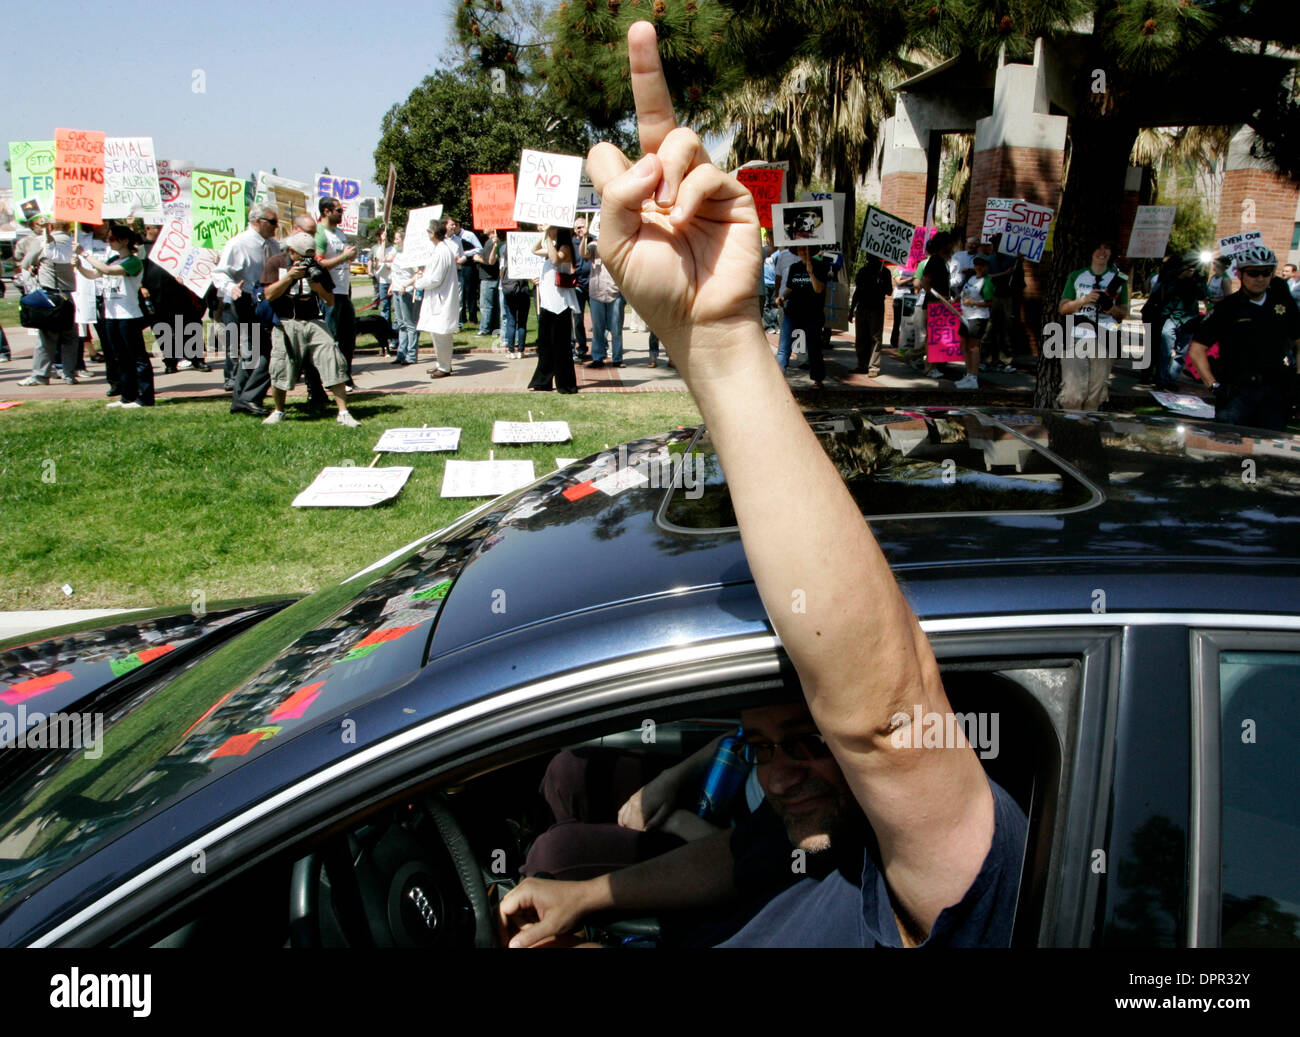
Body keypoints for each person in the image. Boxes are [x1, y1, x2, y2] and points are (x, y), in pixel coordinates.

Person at [500, 20, 1027, 950]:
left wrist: (723, 345)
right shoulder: (802, 850)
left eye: (806, 741)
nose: (782, 774)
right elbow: (736, 859)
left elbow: (883, 718)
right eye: (761, 746)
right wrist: (589, 901)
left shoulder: (933, 888)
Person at [1188, 245, 1300, 432]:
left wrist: (1297, 381)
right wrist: (1213, 385)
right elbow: (1197, 350)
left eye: (1266, 272)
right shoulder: (1227, 309)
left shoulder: (1283, 304)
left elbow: (1299, 341)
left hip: (1274, 392)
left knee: (1270, 451)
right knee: (1228, 449)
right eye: (1254, 273)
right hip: (1236, 393)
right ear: (1240, 274)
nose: (1260, 279)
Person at [257, 231, 359, 427]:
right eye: (303, 257)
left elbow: (329, 301)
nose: (307, 261)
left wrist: (317, 287)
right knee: (281, 363)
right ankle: (279, 410)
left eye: (310, 257)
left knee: (333, 357)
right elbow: (268, 295)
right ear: (292, 252)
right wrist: (288, 277)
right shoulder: (276, 262)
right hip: (286, 321)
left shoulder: (317, 267)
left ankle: (343, 412)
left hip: (314, 320)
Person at [75, 223, 156, 408]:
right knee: (120, 357)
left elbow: (108, 271)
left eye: (112, 238)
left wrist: (85, 254)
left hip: (129, 315)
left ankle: (145, 397)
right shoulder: (112, 259)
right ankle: (128, 395)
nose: (108, 241)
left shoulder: (133, 262)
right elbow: (94, 274)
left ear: (125, 241)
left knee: (137, 357)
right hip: (111, 315)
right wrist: (80, 266)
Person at [212, 203, 281, 416]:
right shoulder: (239, 243)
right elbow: (219, 273)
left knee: (256, 353)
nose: (276, 226)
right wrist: (231, 288)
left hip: (264, 303)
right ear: (258, 222)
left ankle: (242, 399)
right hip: (243, 301)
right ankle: (249, 397)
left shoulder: (273, 244)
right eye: (272, 222)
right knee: (263, 354)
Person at [1057, 238, 1130, 411]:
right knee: (1071, 394)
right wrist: (1084, 300)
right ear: (1091, 252)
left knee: (1095, 395)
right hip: (1076, 336)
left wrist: (1110, 308)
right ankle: (1070, 428)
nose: (1102, 252)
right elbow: (1063, 309)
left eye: (1106, 248)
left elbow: (1123, 313)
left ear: (1111, 253)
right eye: (1098, 248)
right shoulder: (1077, 275)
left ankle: (1086, 432)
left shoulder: (1118, 280)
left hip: (1105, 338)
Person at [17, 218, 79, 387]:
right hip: (70, 294)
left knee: (46, 338)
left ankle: (40, 375)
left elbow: (26, 262)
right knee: (69, 337)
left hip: (51, 294)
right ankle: (69, 374)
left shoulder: (43, 242)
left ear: (50, 226)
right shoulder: (75, 242)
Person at [528, 225, 580, 394]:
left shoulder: (565, 248)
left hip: (561, 304)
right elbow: (534, 249)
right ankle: (543, 380)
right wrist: (544, 233)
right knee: (545, 345)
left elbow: (556, 259)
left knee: (561, 346)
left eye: (553, 228)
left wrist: (549, 237)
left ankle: (565, 383)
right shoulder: (552, 246)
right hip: (547, 303)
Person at [314, 199, 359, 390]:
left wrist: (350, 256)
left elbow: (344, 257)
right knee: (330, 338)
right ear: (326, 211)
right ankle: (330, 380)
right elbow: (318, 263)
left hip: (343, 291)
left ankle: (345, 376)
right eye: (339, 210)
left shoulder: (339, 233)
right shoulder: (320, 234)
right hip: (329, 292)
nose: (342, 214)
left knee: (348, 338)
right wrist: (343, 257)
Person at [1144, 252, 1205, 390]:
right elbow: (1164, 293)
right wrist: (1180, 278)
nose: (1191, 270)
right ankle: (1161, 379)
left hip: (1189, 319)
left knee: (1181, 353)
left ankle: (1171, 380)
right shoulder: (1172, 275)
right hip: (1171, 317)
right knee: (1165, 350)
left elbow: (1202, 295)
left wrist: (1195, 280)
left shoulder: (1198, 278)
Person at [774, 244, 828, 388]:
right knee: (784, 348)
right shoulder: (794, 268)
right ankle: (778, 380)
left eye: (806, 249)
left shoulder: (821, 267)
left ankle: (818, 380)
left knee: (813, 348)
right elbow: (790, 288)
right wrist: (782, 297)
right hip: (793, 312)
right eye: (801, 249)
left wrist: (811, 273)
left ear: (812, 251)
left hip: (813, 314)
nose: (803, 252)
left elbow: (819, 289)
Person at [414, 218, 460, 379]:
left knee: (442, 334)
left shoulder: (442, 252)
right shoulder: (440, 250)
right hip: (438, 298)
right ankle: (441, 363)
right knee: (437, 333)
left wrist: (418, 283)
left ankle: (445, 366)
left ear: (432, 233)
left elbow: (435, 279)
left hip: (441, 299)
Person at [846, 255, 891, 376]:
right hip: (862, 308)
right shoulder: (862, 271)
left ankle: (873, 367)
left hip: (876, 308)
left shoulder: (885, 272)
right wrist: (851, 310)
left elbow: (889, 291)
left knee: (875, 338)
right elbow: (857, 291)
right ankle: (862, 365)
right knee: (861, 337)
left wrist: (881, 281)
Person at [586, 236, 626, 367]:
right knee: (598, 328)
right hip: (597, 293)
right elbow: (584, 254)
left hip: (615, 292)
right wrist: (585, 237)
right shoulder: (593, 245)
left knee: (616, 329)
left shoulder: (619, 244)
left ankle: (617, 359)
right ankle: (598, 357)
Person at [956, 252, 994, 388]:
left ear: (986, 266)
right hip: (965, 316)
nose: (978, 266)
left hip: (978, 317)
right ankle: (968, 374)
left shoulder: (987, 281)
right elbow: (963, 294)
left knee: (973, 347)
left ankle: (973, 377)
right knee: (964, 346)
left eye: (981, 264)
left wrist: (974, 303)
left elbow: (990, 302)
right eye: (977, 264)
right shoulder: (971, 278)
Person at [387, 229, 419, 365]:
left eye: (397, 239)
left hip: (406, 291)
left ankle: (411, 355)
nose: (395, 241)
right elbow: (384, 260)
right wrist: (392, 285)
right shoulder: (396, 254)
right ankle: (401, 353)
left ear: (404, 240)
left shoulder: (410, 256)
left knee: (410, 324)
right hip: (396, 290)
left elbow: (418, 273)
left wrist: (406, 285)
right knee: (400, 324)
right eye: (394, 239)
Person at [499, 233, 533, 359]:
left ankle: (511, 351)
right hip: (523, 291)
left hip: (509, 292)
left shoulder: (506, 263)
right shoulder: (525, 263)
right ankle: (521, 350)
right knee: (522, 323)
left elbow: (501, 274)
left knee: (511, 321)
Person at [444, 216, 481, 328]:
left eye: (455, 225)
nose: (454, 227)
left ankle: (458, 324)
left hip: (457, 272)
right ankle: (446, 322)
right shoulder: (441, 240)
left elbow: (462, 255)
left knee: (459, 298)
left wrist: (463, 258)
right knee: (445, 299)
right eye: (451, 224)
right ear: (445, 225)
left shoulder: (458, 240)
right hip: (444, 274)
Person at [570, 215, 594, 360]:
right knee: (578, 319)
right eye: (578, 227)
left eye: (583, 226)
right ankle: (582, 347)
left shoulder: (593, 241)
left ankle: (601, 346)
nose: (580, 230)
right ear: (574, 229)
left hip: (593, 285)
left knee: (598, 320)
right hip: (577, 286)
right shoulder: (570, 243)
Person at [474, 230, 502, 337]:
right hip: (495, 278)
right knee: (495, 306)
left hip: (488, 277)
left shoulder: (491, 242)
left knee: (486, 306)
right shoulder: (495, 241)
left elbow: (490, 261)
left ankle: (484, 329)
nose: (483, 228)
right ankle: (495, 328)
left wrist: (478, 258)